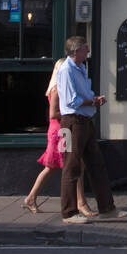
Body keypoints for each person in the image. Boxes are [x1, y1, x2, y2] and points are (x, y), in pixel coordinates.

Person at [55, 36, 127, 224]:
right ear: (76, 51)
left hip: (85, 121)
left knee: (96, 164)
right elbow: (71, 101)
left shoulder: (80, 67)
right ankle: (69, 213)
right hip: (71, 122)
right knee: (71, 166)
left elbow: (82, 94)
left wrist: (93, 99)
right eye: (85, 48)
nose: (88, 51)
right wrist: (93, 101)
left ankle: (107, 208)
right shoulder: (66, 70)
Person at [23, 58, 96, 215]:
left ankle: (31, 198)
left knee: (61, 166)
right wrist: (71, 111)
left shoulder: (63, 87)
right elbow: (53, 113)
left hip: (64, 129)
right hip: (61, 131)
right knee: (73, 165)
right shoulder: (56, 89)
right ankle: (81, 203)